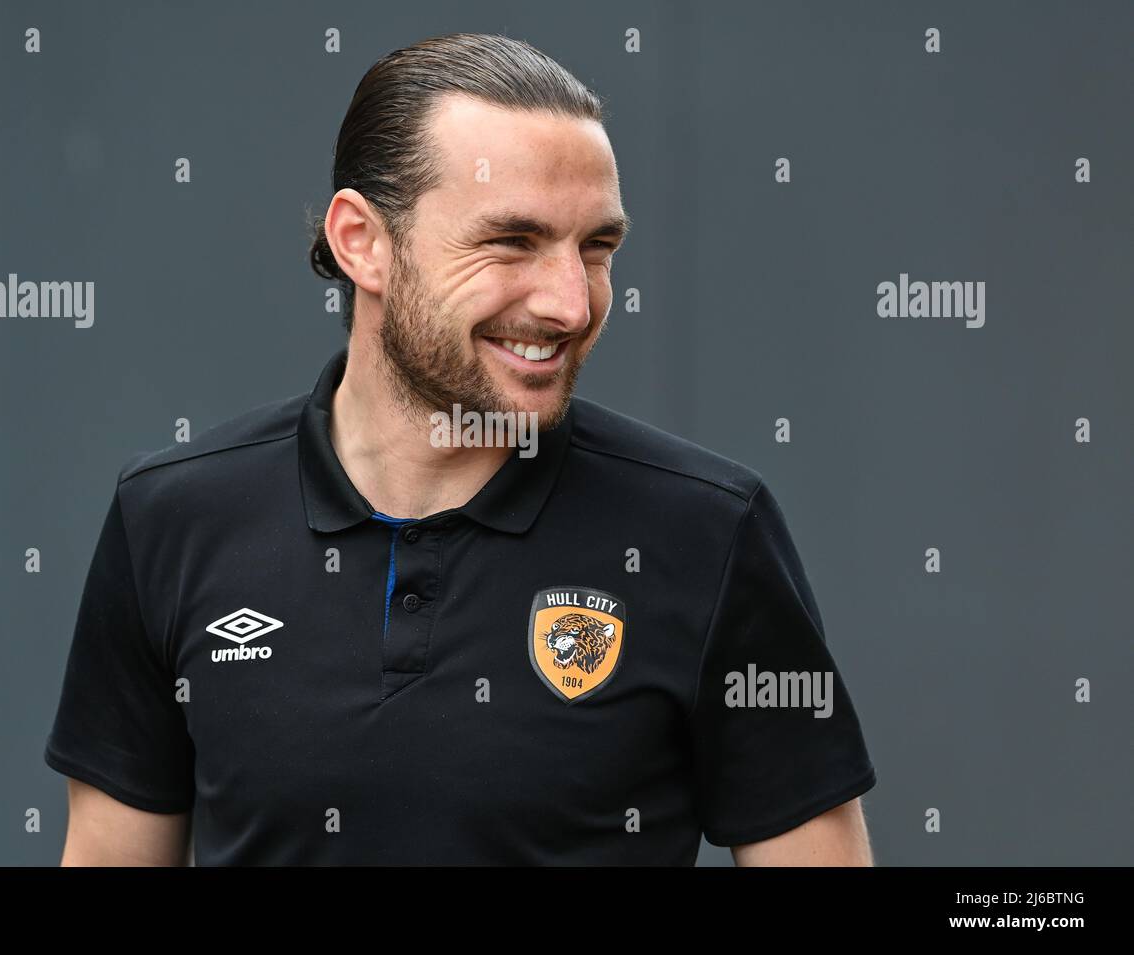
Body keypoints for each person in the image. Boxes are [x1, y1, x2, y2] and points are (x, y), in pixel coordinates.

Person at [45, 32, 876, 866]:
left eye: (597, 248)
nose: (569, 305)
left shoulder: (707, 533)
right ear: (361, 242)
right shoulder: (172, 519)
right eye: (512, 241)